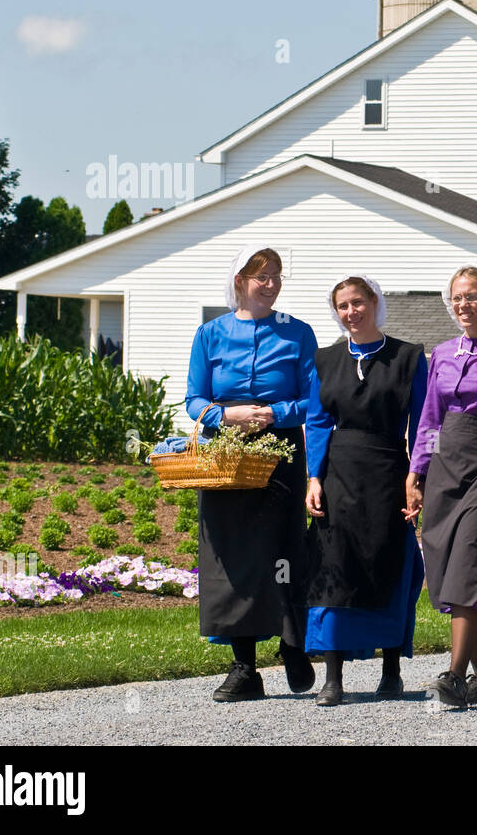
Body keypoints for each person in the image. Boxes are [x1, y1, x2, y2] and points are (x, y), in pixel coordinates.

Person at [185, 244, 318, 702]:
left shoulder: (298, 334)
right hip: (225, 451)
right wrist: (228, 418)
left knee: (284, 551)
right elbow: (194, 401)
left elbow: (312, 401)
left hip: (280, 449)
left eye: (277, 274)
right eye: (262, 275)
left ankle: (293, 644)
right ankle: (244, 668)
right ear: (240, 281)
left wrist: (275, 412)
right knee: (234, 554)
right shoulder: (210, 335)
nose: (272, 282)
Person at [303, 272, 427, 706]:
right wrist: (313, 477)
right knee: (333, 569)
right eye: (342, 306)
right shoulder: (324, 360)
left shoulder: (409, 357)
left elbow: (424, 422)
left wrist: (417, 477)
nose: (351, 312)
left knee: (388, 567)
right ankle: (332, 677)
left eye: (358, 302)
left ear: (375, 303)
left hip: (390, 474)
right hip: (338, 474)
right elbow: (317, 422)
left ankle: (391, 670)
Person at [408, 265, 477, 709]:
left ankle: (453, 675)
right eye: (457, 298)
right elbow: (430, 418)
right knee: (449, 566)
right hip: (446, 466)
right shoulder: (444, 353)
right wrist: (417, 472)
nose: (463, 304)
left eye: (472, 296)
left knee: (470, 561)